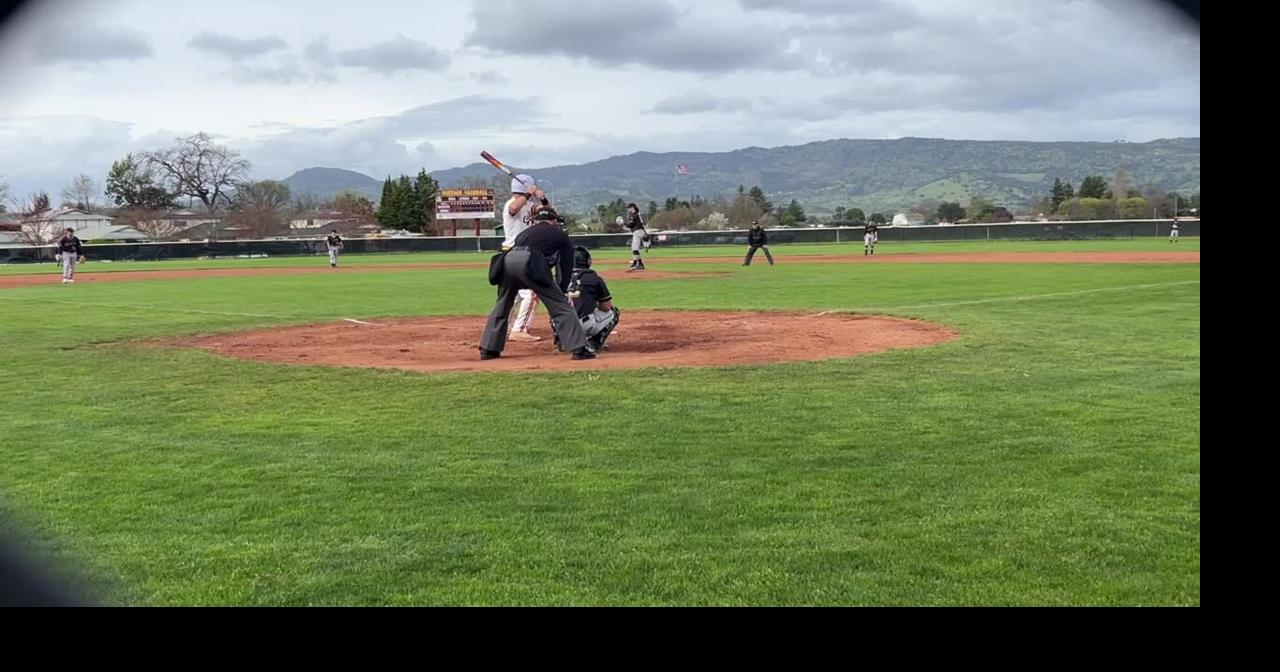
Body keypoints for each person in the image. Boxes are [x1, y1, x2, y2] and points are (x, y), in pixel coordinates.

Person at [479, 206, 595, 361]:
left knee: (503, 304)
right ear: (553, 221)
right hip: (530, 261)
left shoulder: (524, 233)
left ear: (535, 220)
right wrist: (560, 290)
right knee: (561, 307)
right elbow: (565, 265)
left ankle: (488, 349)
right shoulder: (561, 235)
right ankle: (580, 348)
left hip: (507, 261)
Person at [503, 174, 549, 342]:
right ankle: (519, 329)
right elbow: (514, 209)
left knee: (513, 295)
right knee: (531, 294)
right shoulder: (511, 203)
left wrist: (542, 198)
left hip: (524, 253)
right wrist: (528, 193)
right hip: (515, 253)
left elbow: (549, 213)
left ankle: (504, 327)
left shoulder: (530, 205)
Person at [566, 246, 620, 352]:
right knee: (614, 312)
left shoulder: (559, 277)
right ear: (586, 261)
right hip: (584, 325)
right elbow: (606, 307)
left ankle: (560, 342)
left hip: (562, 326)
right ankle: (595, 342)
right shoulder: (594, 277)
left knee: (556, 313)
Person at [624, 202, 647, 272]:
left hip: (638, 232)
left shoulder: (633, 215)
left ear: (632, 207)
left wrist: (623, 223)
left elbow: (631, 225)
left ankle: (637, 264)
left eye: (629, 208)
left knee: (634, 248)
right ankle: (638, 263)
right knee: (634, 248)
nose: (628, 209)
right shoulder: (636, 214)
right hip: (640, 231)